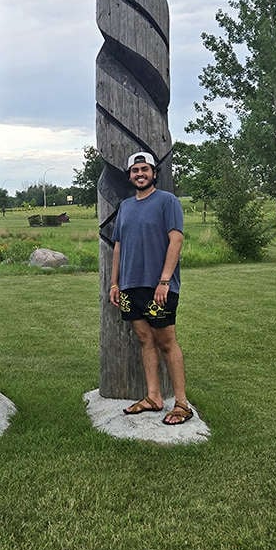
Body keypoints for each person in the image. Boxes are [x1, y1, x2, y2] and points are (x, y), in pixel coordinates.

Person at [109, 151, 194, 425]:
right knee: (145, 340)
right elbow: (118, 246)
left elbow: (176, 241)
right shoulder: (125, 207)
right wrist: (115, 282)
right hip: (131, 287)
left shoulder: (167, 202)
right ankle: (154, 397)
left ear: (154, 173)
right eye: (135, 171)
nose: (140, 174)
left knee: (167, 342)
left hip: (159, 287)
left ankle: (181, 403)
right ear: (130, 176)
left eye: (145, 169)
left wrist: (165, 280)